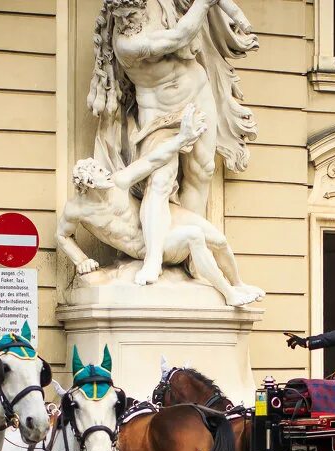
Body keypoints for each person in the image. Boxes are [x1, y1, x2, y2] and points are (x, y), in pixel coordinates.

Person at [56, 104, 264, 307]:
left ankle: (238, 283)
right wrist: (80, 259)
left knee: (219, 240)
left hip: (161, 223)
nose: (106, 172)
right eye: (100, 173)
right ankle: (229, 294)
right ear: (90, 183)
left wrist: (182, 138)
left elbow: (152, 161)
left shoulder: (118, 183)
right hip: (146, 247)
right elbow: (62, 235)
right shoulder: (77, 210)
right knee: (194, 236)